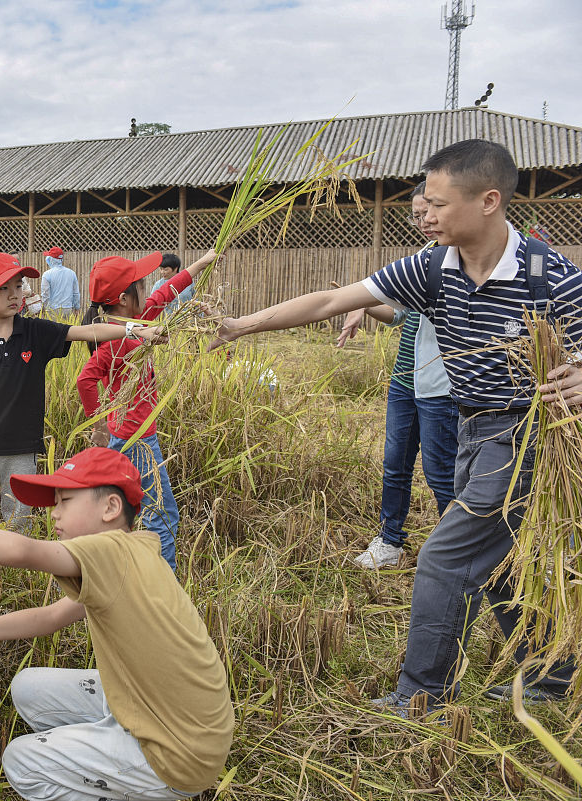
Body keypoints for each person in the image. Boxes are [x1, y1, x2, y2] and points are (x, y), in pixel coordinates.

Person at [210, 139, 582, 710]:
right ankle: (554, 677)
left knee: (445, 558)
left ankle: (422, 696)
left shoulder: (549, 275)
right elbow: (331, 300)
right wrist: (241, 326)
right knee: (499, 562)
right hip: (468, 428)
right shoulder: (430, 268)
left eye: (438, 203)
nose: (425, 214)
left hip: (526, 435)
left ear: (488, 201)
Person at [0, 447, 233, 800]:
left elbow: (22, 550)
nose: (54, 513)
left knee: (22, 761)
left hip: (177, 755)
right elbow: (52, 616)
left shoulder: (113, 550)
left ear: (110, 507)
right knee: (27, 687)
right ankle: (106, 756)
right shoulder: (134, 555)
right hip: (176, 718)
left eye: (65, 501)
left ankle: (134, 779)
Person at [0, 252, 166, 528]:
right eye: (3, 288)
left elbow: (84, 332)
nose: (14, 294)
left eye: (18, 285)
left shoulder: (36, 332)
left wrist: (135, 331)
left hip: (23, 447)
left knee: (19, 520)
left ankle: (17, 556)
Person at [338, 182, 457, 570]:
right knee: (395, 464)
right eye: (416, 215)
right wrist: (363, 305)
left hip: (442, 387)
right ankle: (390, 540)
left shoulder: (463, 261)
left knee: (441, 473)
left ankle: (455, 551)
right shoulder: (421, 259)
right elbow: (397, 314)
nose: (423, 221)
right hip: (405, 381)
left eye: (429, 212)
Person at [78, 249, 219, 568]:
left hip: (130, 436)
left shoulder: (136, 322)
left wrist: (203, 262)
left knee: (129, 512)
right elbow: (85, 379)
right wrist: (97, 426)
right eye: (141, 286)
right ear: (124, 299)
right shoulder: (115, 341)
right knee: (163, 516)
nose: (148, 289)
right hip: (136, 441)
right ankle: (163, 580)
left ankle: (123, 565)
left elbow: (167, 291)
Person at [40, 247, 81, 317]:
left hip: (52, 310)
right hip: (68, 309)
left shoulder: (47, 274)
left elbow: (45, 294)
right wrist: (77, 308)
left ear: (51, 259)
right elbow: (76, 293)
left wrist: (44, 308)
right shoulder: (71, 273)